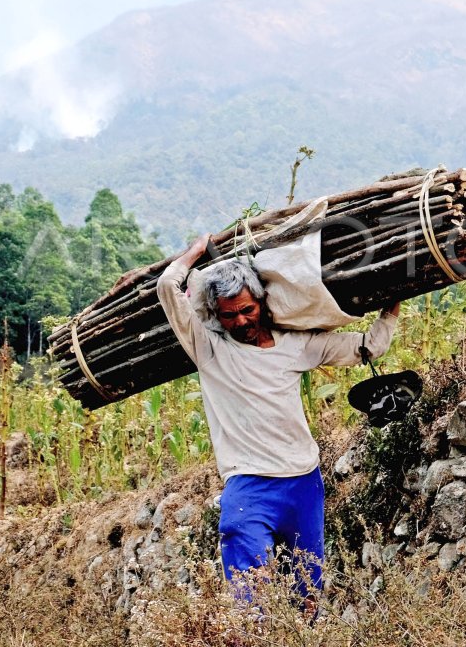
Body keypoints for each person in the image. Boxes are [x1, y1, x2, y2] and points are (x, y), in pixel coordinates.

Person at [156, 233, 401, 600]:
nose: (239, 321)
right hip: (249, 484)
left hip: (304, 483)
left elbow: (370, 345)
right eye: (228, 315)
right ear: (216, 316)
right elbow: (167, 286)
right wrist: (194, 250)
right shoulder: (208, 348)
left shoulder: (298, 344)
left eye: (246, 310)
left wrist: (393, 301)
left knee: (307, 590)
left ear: (261, 301)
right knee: (245, 585)